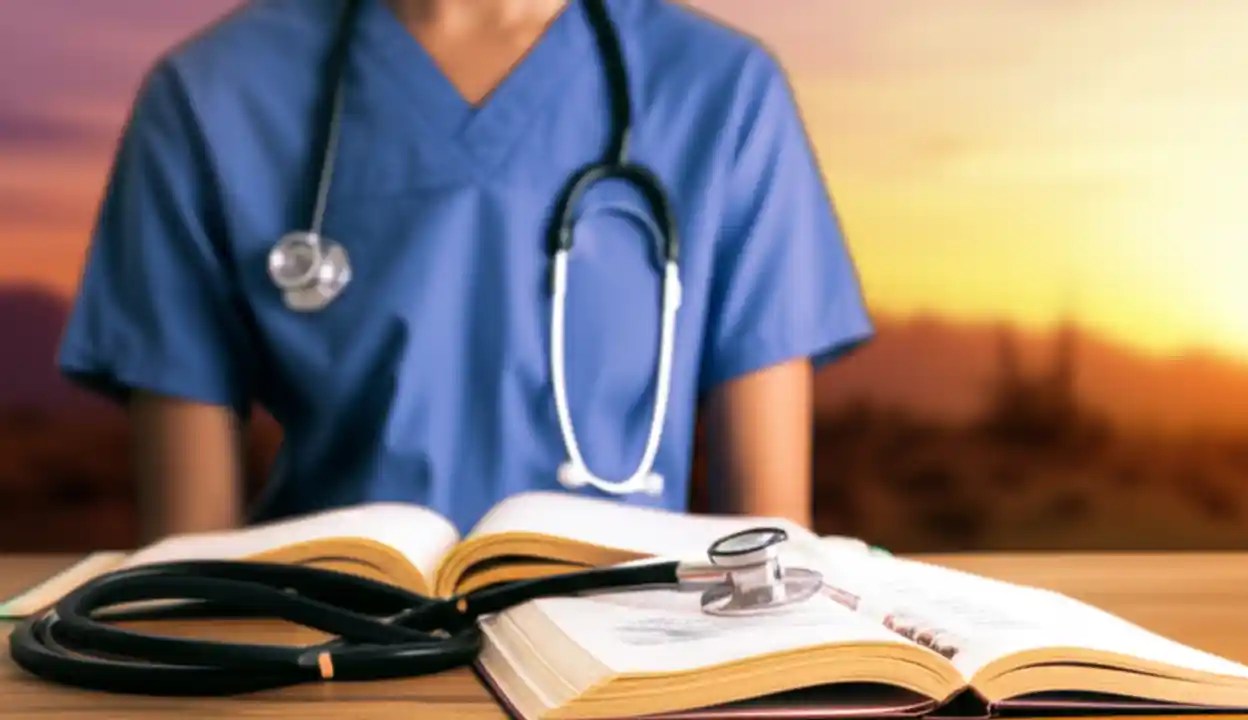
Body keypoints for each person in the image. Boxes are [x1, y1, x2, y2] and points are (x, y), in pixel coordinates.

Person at [57, 0, 875, 541]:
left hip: (636, 678)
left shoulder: (721, 91)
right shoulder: (211, 94)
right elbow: (189, 571)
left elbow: (770, 559)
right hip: (323, 668)